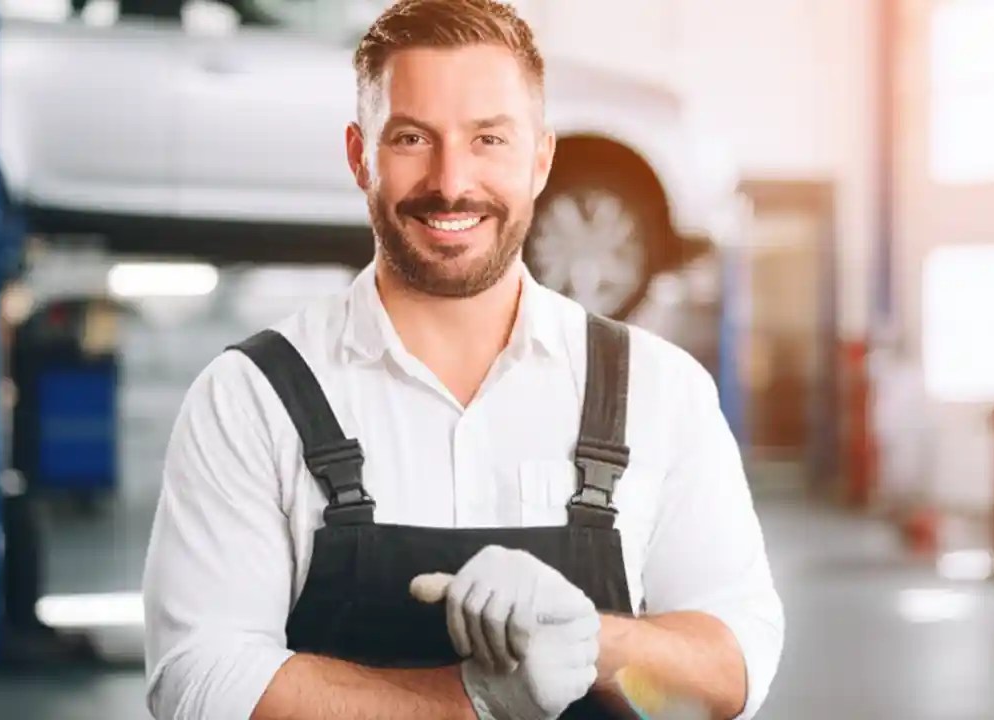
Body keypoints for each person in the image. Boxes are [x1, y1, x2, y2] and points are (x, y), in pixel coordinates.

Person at [141, 1, 784, 718]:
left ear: (541, 159)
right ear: (360, 157)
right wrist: (471, 701)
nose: (452, 181)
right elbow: (199, 684)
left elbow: (734, 664)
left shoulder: (658, 392)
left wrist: (592, 640)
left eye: (489, 140)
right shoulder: (251, 397)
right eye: (413, 138)